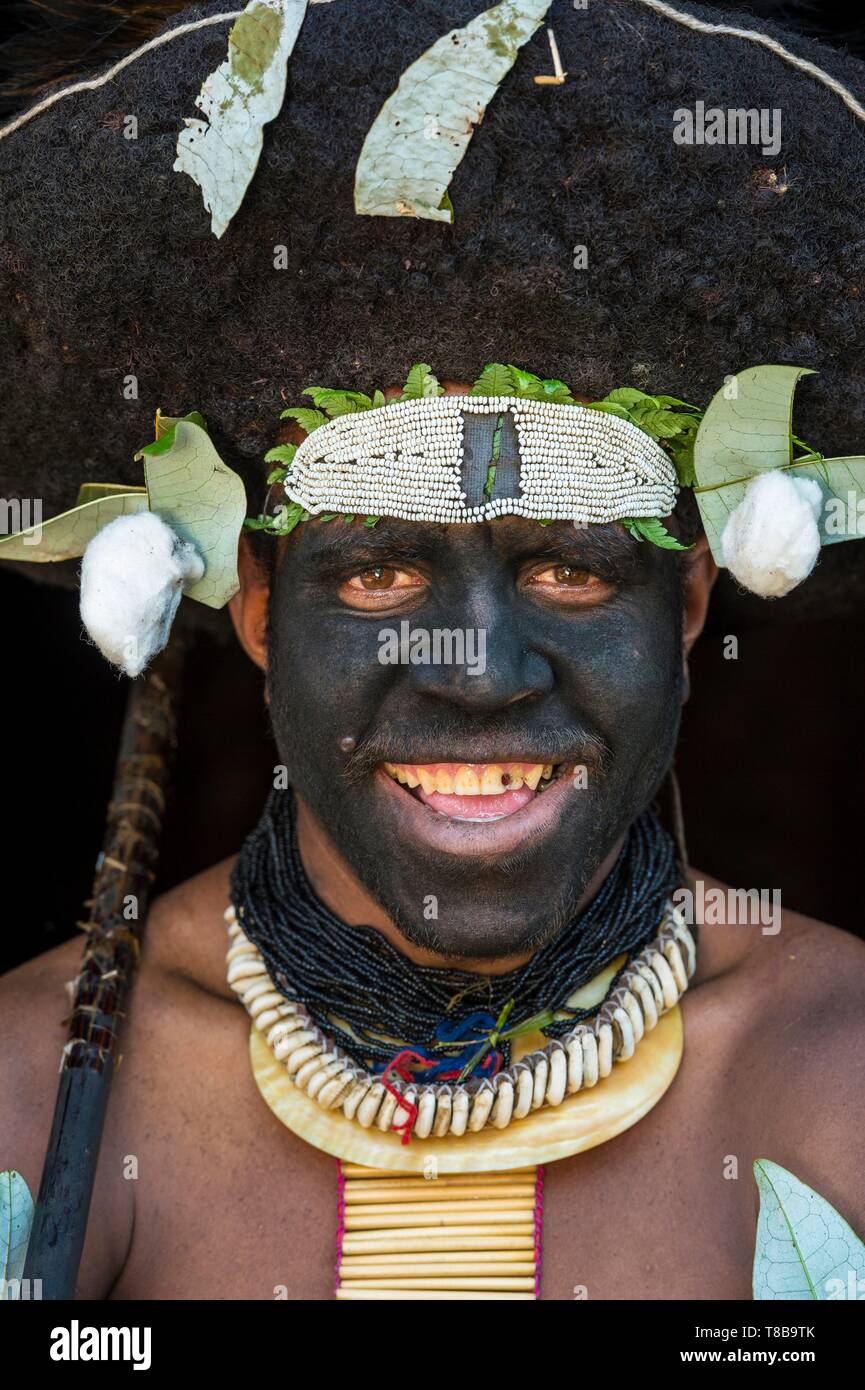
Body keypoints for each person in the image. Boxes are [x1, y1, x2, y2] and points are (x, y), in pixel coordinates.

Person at [1, 0, 864, 1301]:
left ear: (685, 608)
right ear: (254, 601)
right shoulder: (48, 1078)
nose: (476, 667)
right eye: (377, 566)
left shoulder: (837, 1061)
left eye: (569, 567)